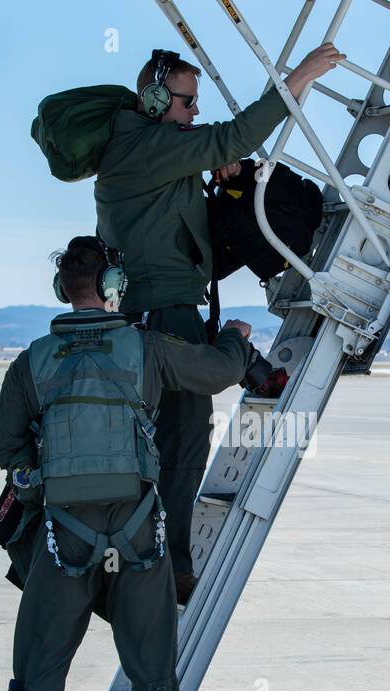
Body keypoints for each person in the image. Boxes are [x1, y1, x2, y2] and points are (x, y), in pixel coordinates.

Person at [0, 236, 255, 691]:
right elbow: (218, 374)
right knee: (153, 670)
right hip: (140, 534)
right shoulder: (149, 350)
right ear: (113, 288)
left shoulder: (31, 361)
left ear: (64, 291)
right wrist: (236, 337)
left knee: (37, 673)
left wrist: (42, 473)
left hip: (62, 538)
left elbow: (4, 447)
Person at [95, 42, 345, 604]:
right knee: (180, 449)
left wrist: (218, 168)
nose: (193, 114)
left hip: (157, 313)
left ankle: (143, 561)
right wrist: (297, 78)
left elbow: (216, 152)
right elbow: (231, 136)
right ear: (155, 99)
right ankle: (165, 568)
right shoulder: (146, 145)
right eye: (186, 104)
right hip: (165, 319)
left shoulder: (146, 146)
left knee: (159, 448)